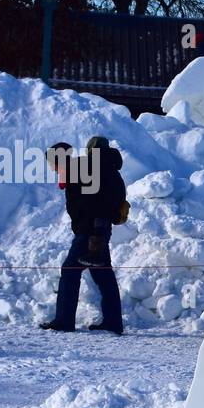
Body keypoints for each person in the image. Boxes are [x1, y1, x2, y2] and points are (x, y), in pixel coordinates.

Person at [40, 136, 126, 334]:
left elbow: (92, 204)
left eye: (53, 163)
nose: (53, 168)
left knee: (70, 270)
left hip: (91, 231)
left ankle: (64, 320)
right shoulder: (102, 169)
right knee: (103, 274)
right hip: (99, 229)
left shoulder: (82, 170)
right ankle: (113, 322)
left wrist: (93, 232)